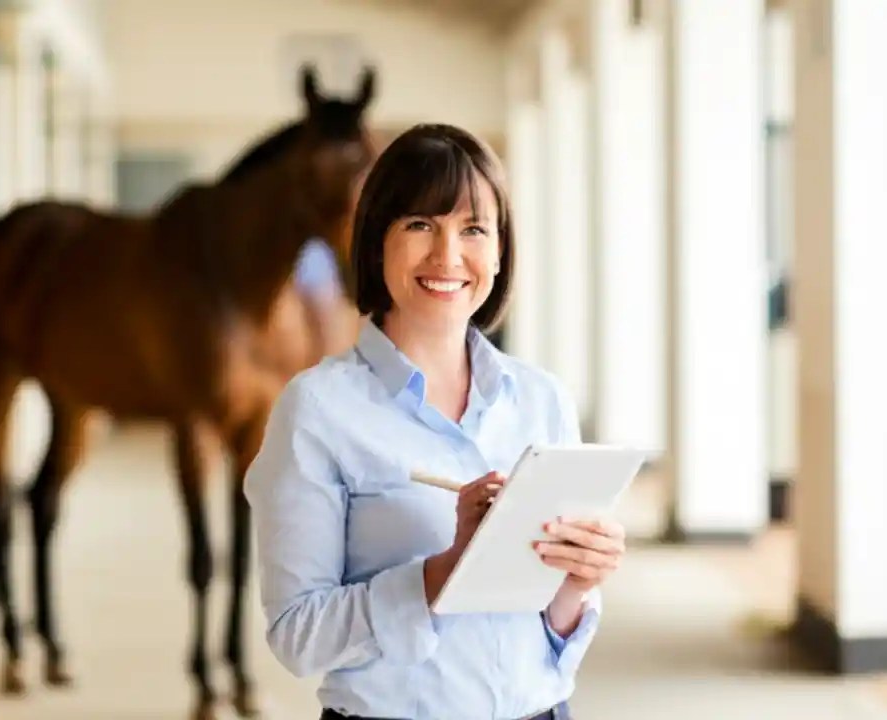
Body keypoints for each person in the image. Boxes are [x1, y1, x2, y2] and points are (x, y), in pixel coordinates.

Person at [244, 123, 627, 720]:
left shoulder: (541, 400)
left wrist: (579, 580)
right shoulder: (318, 410)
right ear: (376, 242)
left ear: (499, 252)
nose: (448, 256)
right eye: (420, 225)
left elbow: (548, 630)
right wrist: (444, 572)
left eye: (474, 229)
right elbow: (296, 636)